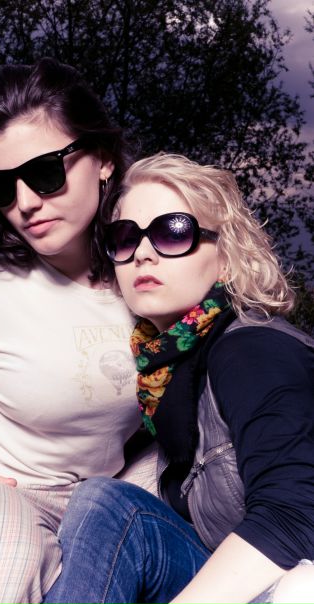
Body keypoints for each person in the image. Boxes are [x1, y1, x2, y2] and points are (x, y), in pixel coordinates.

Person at [0, 57, 145, 604]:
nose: (24, 203)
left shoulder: (145, 275)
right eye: (1, 186)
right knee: (3, 560)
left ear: (103, 159)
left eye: (45, 172)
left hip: (102, 500)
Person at [43, 153, 314, 604]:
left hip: (292, 575)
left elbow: (297, 514)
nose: (142, 253)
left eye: (172, 231)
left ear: (226, 258)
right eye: (125, 238)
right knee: (107, 502)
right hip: (236, 575)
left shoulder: (252, 349)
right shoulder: (166, 377)